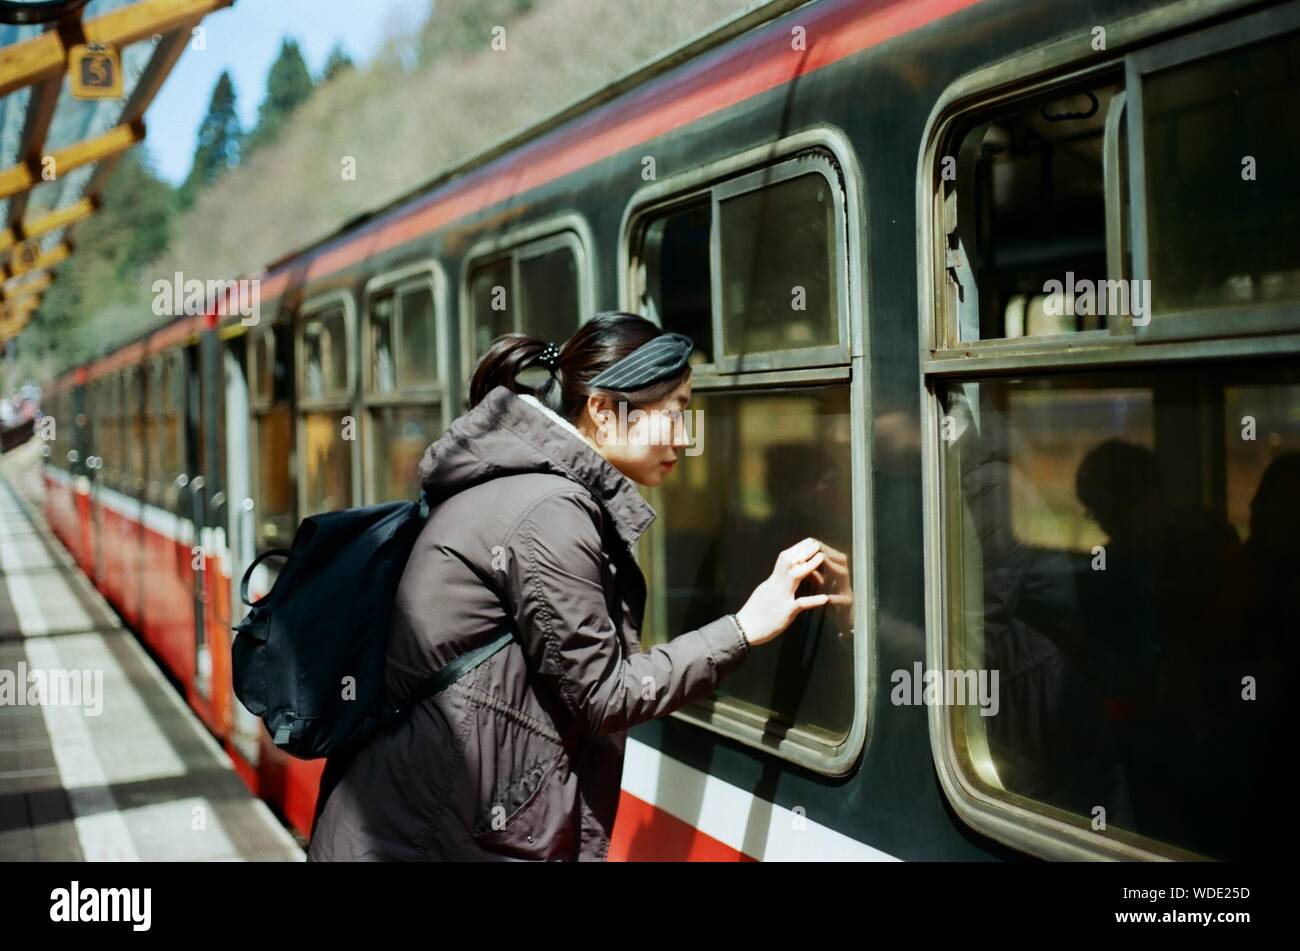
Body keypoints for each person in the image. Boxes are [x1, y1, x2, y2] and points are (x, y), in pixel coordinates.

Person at [307, 311, 837, 861]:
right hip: (423, 839)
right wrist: (743, 629)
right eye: (676, 412)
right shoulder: (549, 511)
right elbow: (604, 694)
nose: (686, 437)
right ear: (605, 413)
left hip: (419, 823)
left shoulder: (528, 487)